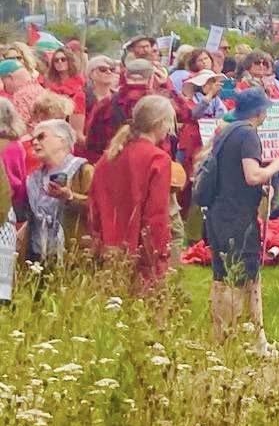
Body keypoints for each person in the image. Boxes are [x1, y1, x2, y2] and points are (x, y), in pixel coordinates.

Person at [202, 88, 279, 346]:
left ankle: (233, 336)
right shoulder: (248, 134)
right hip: (237, 218)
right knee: (241, 276)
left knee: (223, 275)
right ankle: (236, 339)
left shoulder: (226, 132)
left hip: (219, 213)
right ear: (259, 112)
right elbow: (251, 174)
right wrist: (274, 166)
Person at [88, 94, 177, 293]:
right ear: (160, 123)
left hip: (108, 245)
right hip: (140, 251)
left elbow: (94, 201)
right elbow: (156, 213)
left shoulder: (110, 155)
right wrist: (158, 253)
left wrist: (97, 236)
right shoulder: (157, 158)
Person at [20, 118, 93, 270]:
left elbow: (98, 207)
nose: (34, 142)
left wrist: (70, 197)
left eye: (41, 137)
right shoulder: (33, 178)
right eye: (33, 138)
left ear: (62, 141)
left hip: (72, 256)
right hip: (36, 255)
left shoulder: (83, 170)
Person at [41, 47, 86, 134]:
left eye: (63, 59)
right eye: (56, 60)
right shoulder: (50, 85)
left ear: (70, 61)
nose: (60, 62)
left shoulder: (80, 86)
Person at [0, 58, 47, 133]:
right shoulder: (41, 89)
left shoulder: (19, 98)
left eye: (2, 80)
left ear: (10, 77)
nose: (3, 85)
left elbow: (19, 129)